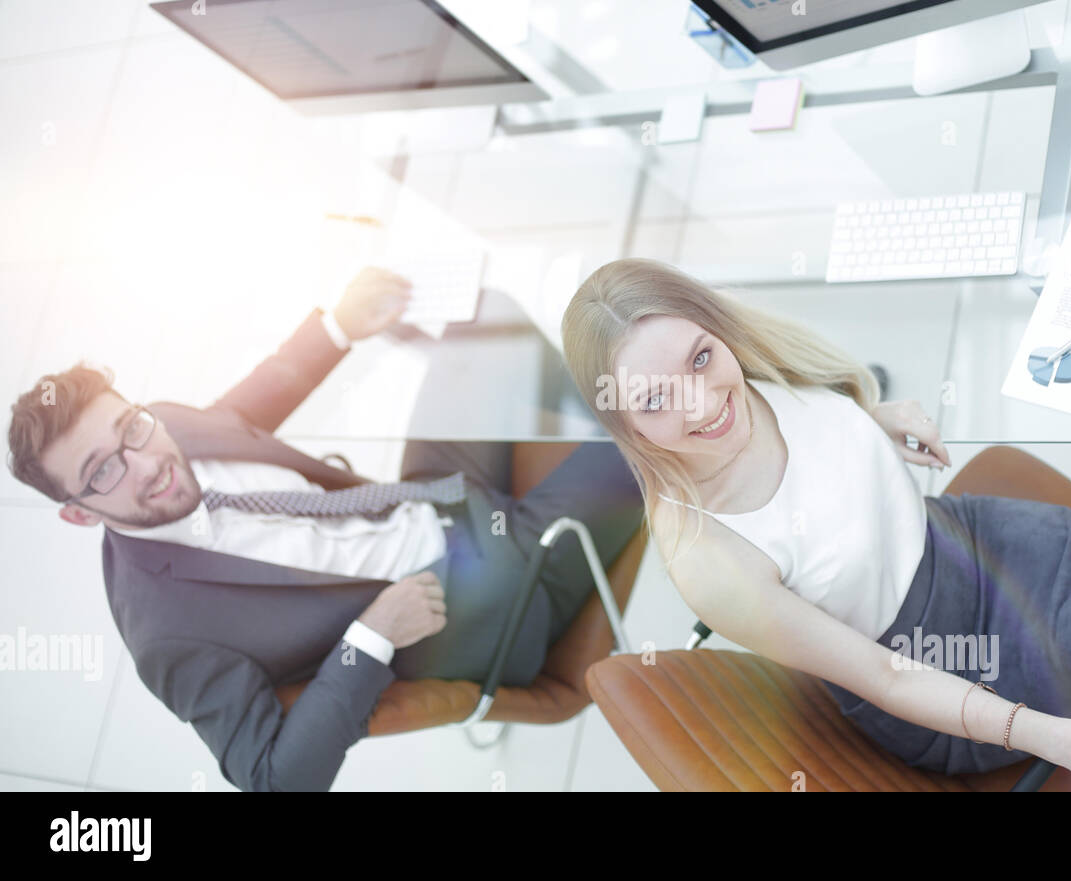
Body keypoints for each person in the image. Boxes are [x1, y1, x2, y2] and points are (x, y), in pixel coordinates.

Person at [560, 257, 1071, 792]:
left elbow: (809, 427)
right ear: (622, 423)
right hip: (942, 666)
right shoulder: (708, 557)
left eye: (701, 358)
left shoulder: (748, 360)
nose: (701, 405)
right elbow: (883, 674)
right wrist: (1062, 738)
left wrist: (872, 422)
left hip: (976, 544)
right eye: (656, 402)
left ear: (717, 332)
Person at [6, 267, 644, 792]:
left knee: (488, 314)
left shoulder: (163, 426)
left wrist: (338, 328)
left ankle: (590, 421)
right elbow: (273, 780)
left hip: (427, 496)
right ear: (79, 513)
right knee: (646, 421)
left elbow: (232, 416)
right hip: (475, 596)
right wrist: (368, 639)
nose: (149, 465)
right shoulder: (165, 633)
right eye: (104, 471)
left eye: (133, 430)